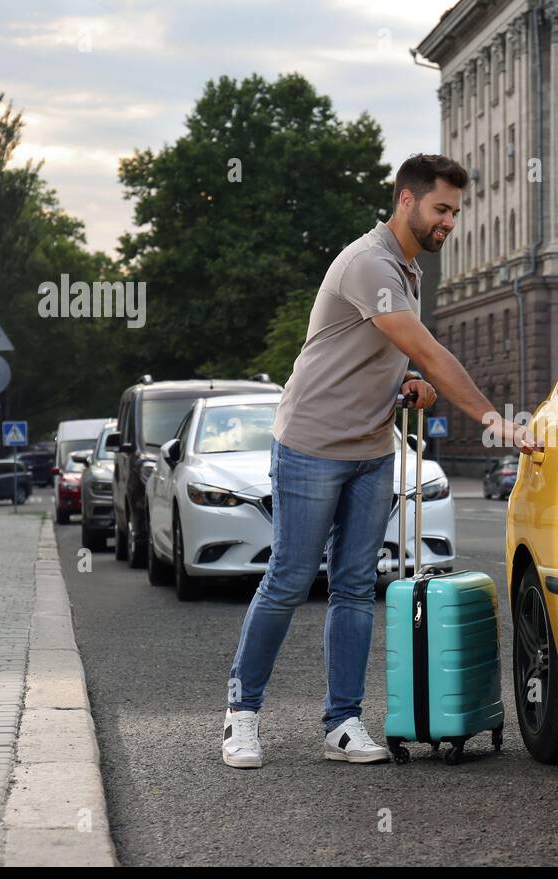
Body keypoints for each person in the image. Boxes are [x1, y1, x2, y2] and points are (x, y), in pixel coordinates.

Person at [222, 154, 541, 769]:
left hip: (371, 448)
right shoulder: (370, 263)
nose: (450, 221)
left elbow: (387, 351)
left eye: (455, 210)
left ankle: (342, 723)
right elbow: (425, 344)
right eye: (441, 208)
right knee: (289, 580)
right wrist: (494, 419)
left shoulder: (406, 269)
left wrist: (407, 384)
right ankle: (242, 715)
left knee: (352, 586)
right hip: (312, 445)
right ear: (406, 200)